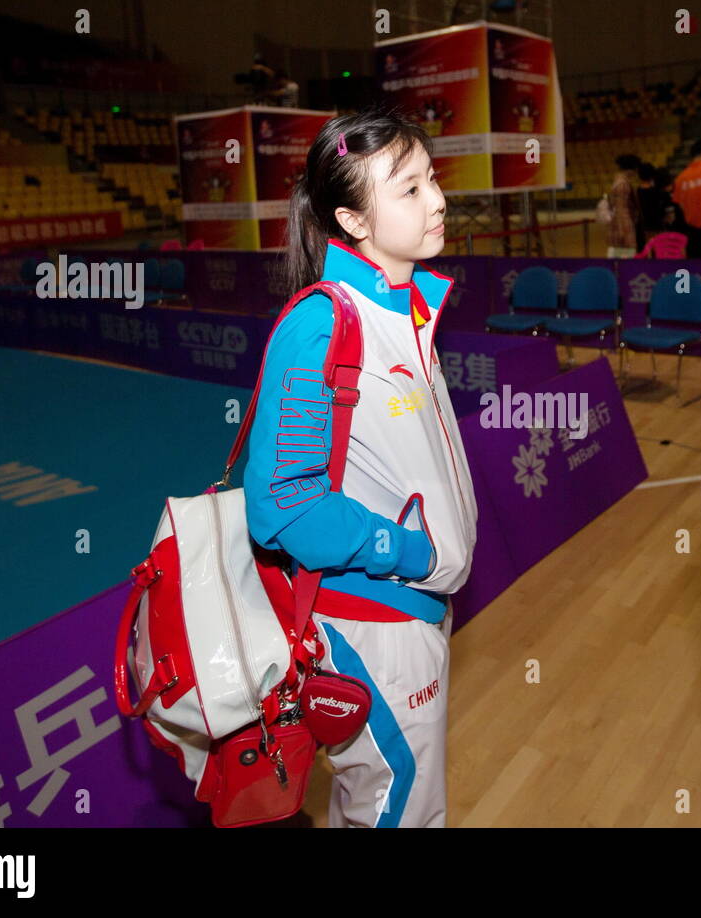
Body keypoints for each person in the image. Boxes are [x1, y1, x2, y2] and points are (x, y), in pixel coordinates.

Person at [243, 104, 479, 828]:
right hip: (371, 625)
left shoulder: (405, 310)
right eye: (408, 189)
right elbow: (283, 505)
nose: (437, 199)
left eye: (432, 178)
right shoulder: (323, 323)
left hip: (416, 617)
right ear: (352, 221)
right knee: (395, 809)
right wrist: (409, 551)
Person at [606, 153, 641, 258]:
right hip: (622, 222)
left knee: (619, 254)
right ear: (631, 169)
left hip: (618, 221)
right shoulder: (622, 184)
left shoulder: (618, 181)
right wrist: (623, 230)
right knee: (626, 254)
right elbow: (620, 207)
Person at [636, 161, 670, 249]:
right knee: (659, 249)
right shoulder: (658, 192)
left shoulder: (637, 192)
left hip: (644, 226)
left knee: (647, 249)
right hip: (657, 225)